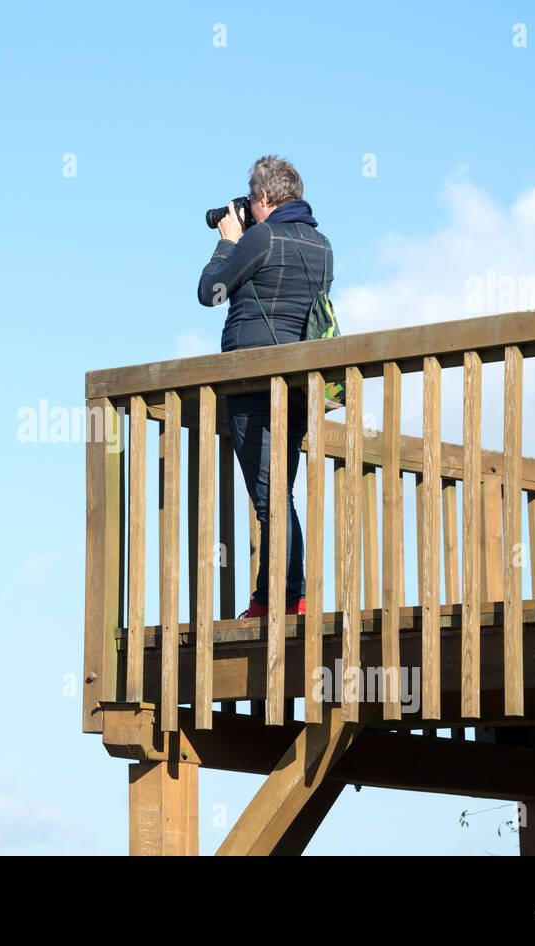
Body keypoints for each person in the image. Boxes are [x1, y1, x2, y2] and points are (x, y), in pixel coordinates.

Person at [196, 156, 333, 619]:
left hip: (252, 382)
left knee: (269, 499)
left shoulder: (261, 237)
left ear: (265, 198)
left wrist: (227, 242)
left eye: (252, 199)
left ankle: (283, 599)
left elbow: (210, 291)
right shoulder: (322, 245)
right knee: (279, 496)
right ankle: (276, 598)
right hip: (297, 386)